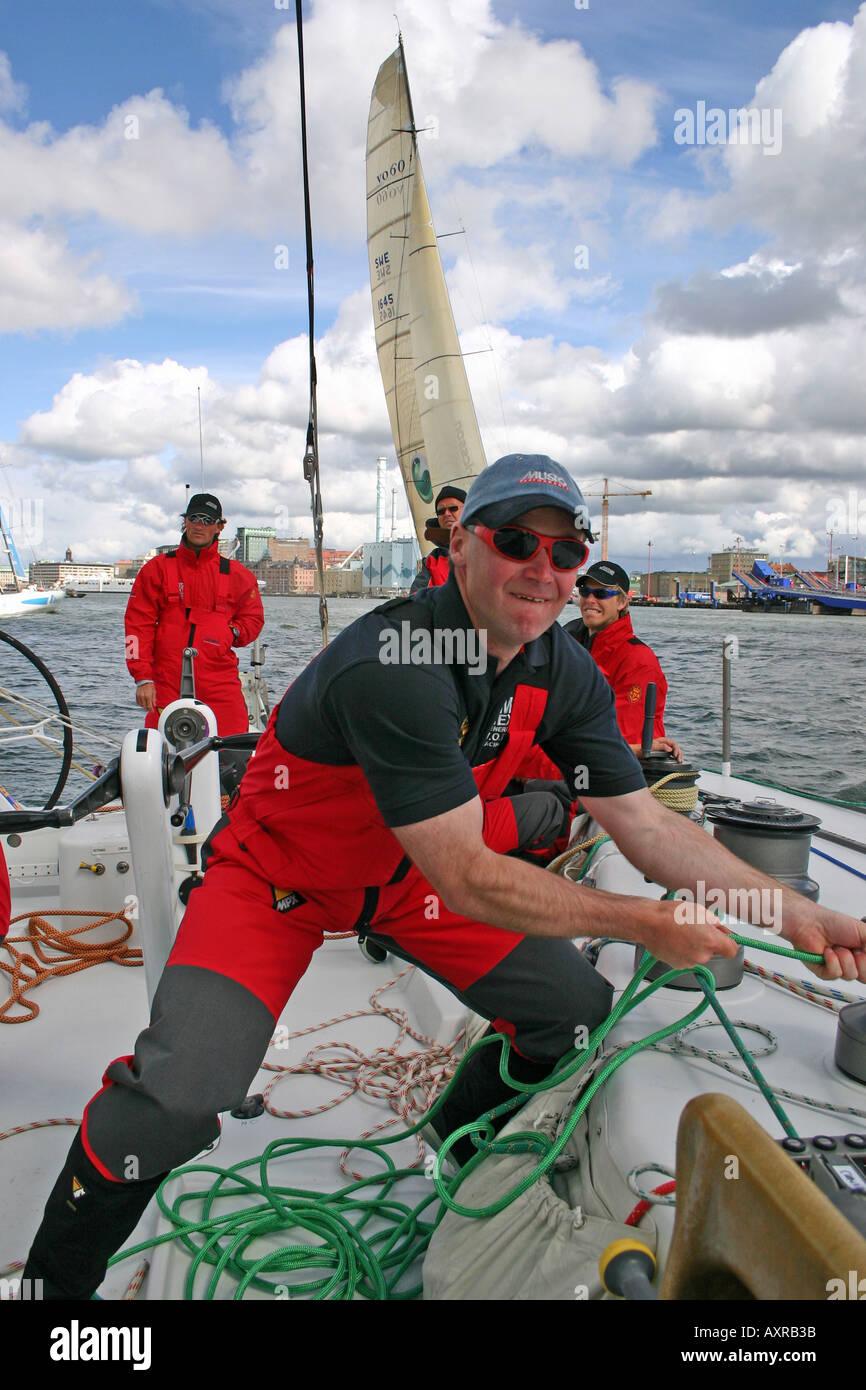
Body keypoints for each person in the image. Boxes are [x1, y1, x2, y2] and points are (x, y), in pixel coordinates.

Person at [24, 454, 866, 1300]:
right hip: (280, 879)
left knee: (570, 1012)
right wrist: (642, 924)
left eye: (566, 552)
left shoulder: (562, 669)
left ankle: (451, 1161)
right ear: (460, 544)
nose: (542, 569)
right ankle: (52, 1295)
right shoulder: (397, 658)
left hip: (407, 883)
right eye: (515, 541)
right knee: (177, 1098)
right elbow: (468, 878)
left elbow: (645, 826)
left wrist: (791, 914)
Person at [124, 494, 264, 736]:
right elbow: (137, 626)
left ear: (219, 527)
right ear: (185, 521)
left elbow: (254, 619)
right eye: (195, 518)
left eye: (208, 520)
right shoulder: (157, 569)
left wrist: (231, 633)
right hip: (166, 682)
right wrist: (143, 678)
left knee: (232, 744)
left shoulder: (238, 576)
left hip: (219, 681)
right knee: (162, 748)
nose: (200, 525)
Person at [564, 559, 682, 760]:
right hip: (573, 758)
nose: (590, 599)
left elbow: (625, 738)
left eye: (601, 593)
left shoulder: (638, 660)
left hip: (616, 769)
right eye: (585, 592)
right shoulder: (570, 644)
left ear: (622, 602)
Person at [409, 485, 466, 593]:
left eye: (453, 508)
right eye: (441, 511)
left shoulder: (488, 550)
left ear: (468, 510)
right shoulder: (432, 560)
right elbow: (415, 598)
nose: (447, 514)